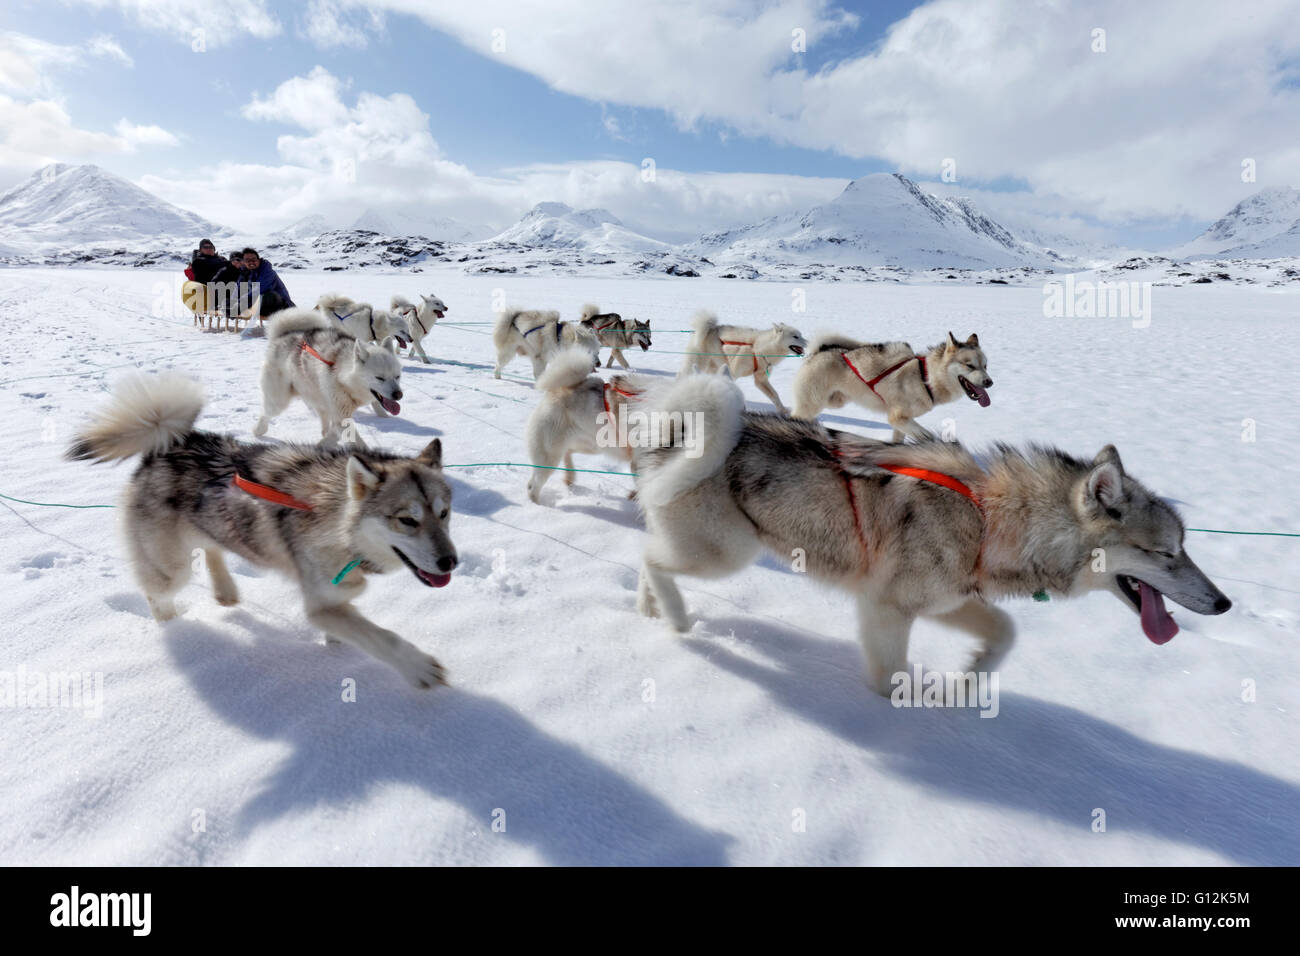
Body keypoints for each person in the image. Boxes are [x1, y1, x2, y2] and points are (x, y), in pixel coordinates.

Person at [239, 248, 294, 317]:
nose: (251, 262)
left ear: (259, 260)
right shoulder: (245, 273)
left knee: (267, 296)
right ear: (244, 262)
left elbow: (259, 289)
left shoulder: (267, 271)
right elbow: (239, 289)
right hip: (260, 305)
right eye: (247, 260)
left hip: (281, 305)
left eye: (254, 259)